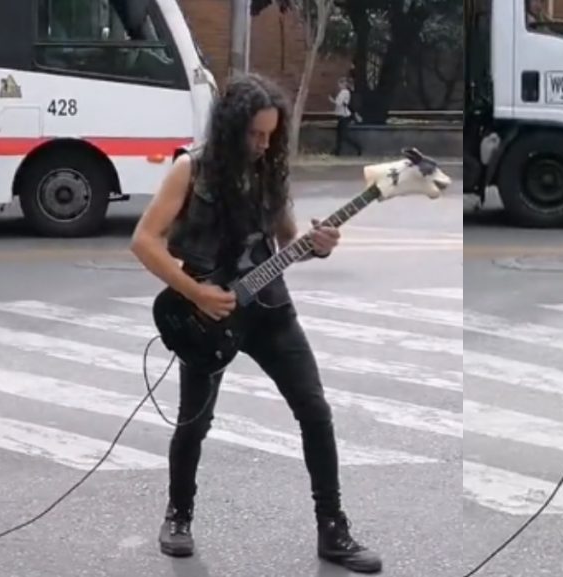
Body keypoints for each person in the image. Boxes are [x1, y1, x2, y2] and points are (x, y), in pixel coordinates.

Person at [129, 73, 382, 574]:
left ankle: (333, 529)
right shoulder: (191, 170)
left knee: (315, 410)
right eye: (255, 135)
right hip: (208, 312)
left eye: (271, 137)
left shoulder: (270, 172)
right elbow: (144, 241)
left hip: (270, 310)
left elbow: (288, 246)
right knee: (194, 422)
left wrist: (318, 246)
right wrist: (197, 292)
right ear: (231, 129)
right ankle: (179, 516)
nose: (263, 146)